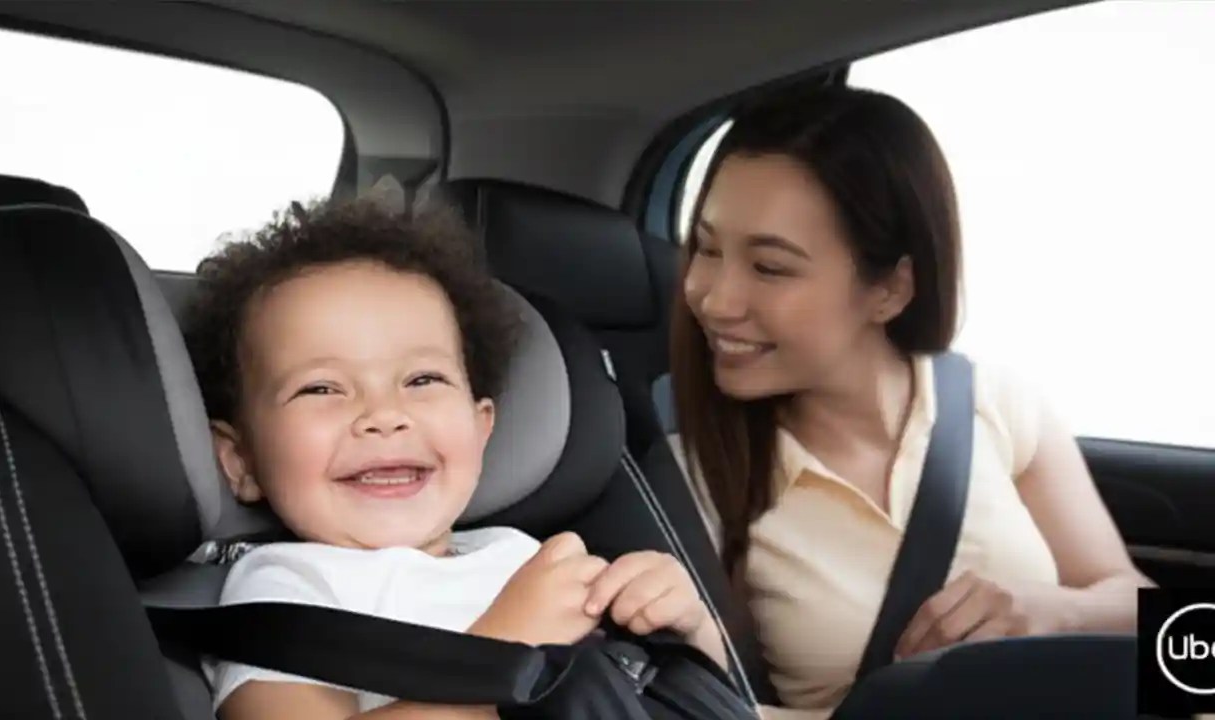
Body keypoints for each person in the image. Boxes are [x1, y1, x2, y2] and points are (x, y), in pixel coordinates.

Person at [667, 86, 1152, 719]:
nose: (712, 296)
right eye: (706, 248)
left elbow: (1142, 610)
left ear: (891, 289)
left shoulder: (996, 402)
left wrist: (1052, 609)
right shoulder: (688, 478)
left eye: (769, 267)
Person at [182, 196, 726, 720]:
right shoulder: (285, 591)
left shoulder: (518, 554)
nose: (384, 414)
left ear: (480, 427)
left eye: (422, 379)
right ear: (240, 461)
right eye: (321, 388)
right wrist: (501, 652)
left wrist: (688, 633)